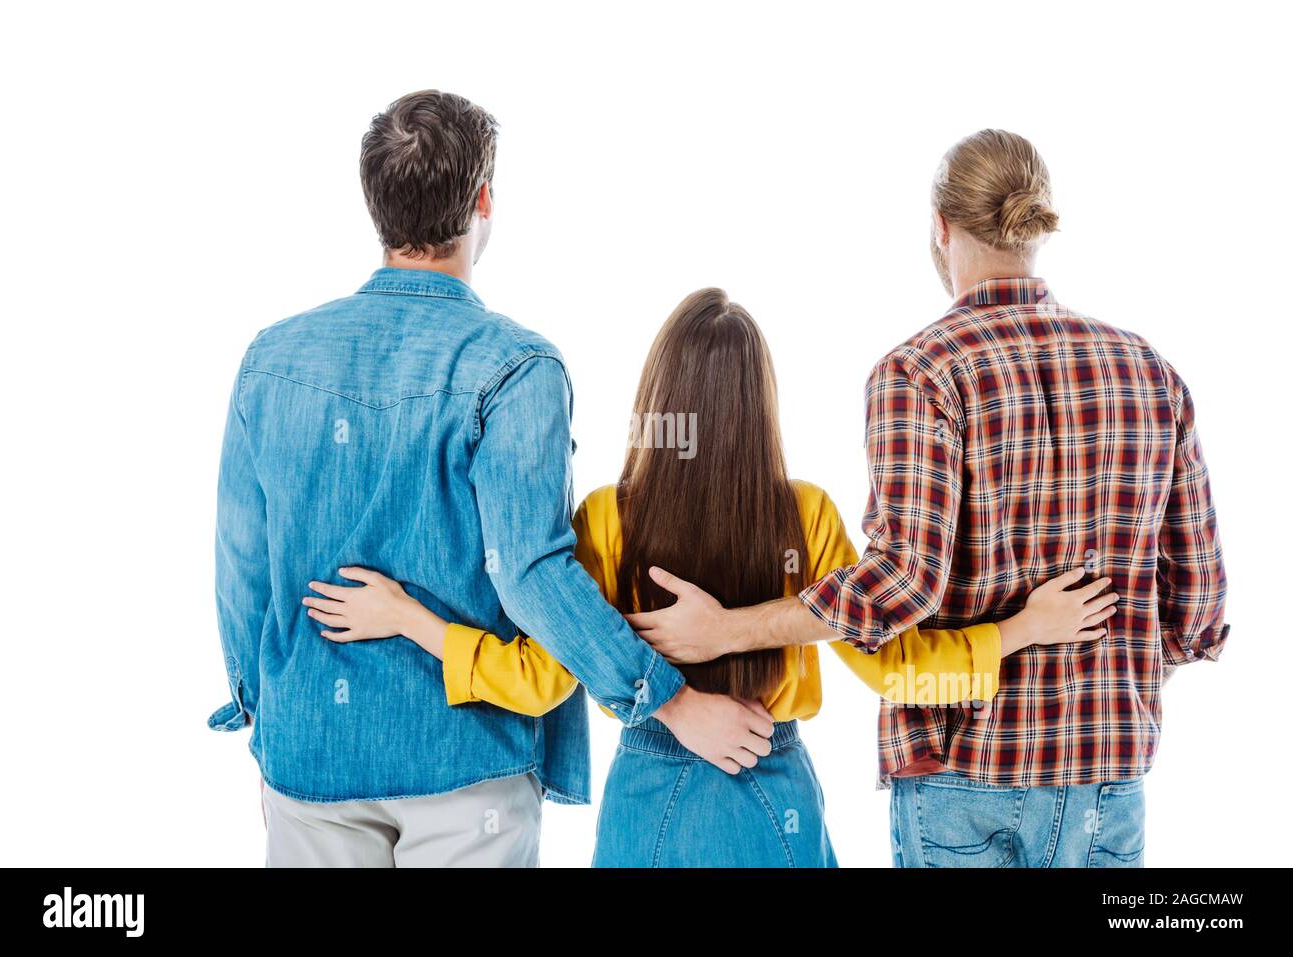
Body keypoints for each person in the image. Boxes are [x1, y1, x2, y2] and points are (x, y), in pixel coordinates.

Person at [307, 288, 1115, 867]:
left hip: (645, 792)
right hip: (776, 788)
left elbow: (537, 679)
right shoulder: (805, 513)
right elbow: (897, 665)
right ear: (761, 405)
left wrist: (411, 617)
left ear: (660, 394)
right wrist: (1021, 629)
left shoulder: (607, 519)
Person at [626, 131, 1229, 868]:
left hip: (958, 771)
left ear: (940, 228)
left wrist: (728, 631)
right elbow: (1199, 610)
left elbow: (902, 583)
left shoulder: (920, 373)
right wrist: (1120, 679)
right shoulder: (1150, 373)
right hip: (1107, 781)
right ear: (1036, 228)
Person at [210, 91, 776, 868]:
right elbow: (532, 574)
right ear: (483, 202)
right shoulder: (515, 368)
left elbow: (242, 560)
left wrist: (257, 697)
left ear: (374, 205)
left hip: (312, 750)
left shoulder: (271, 359)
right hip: (466, 760)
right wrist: (666, 696)